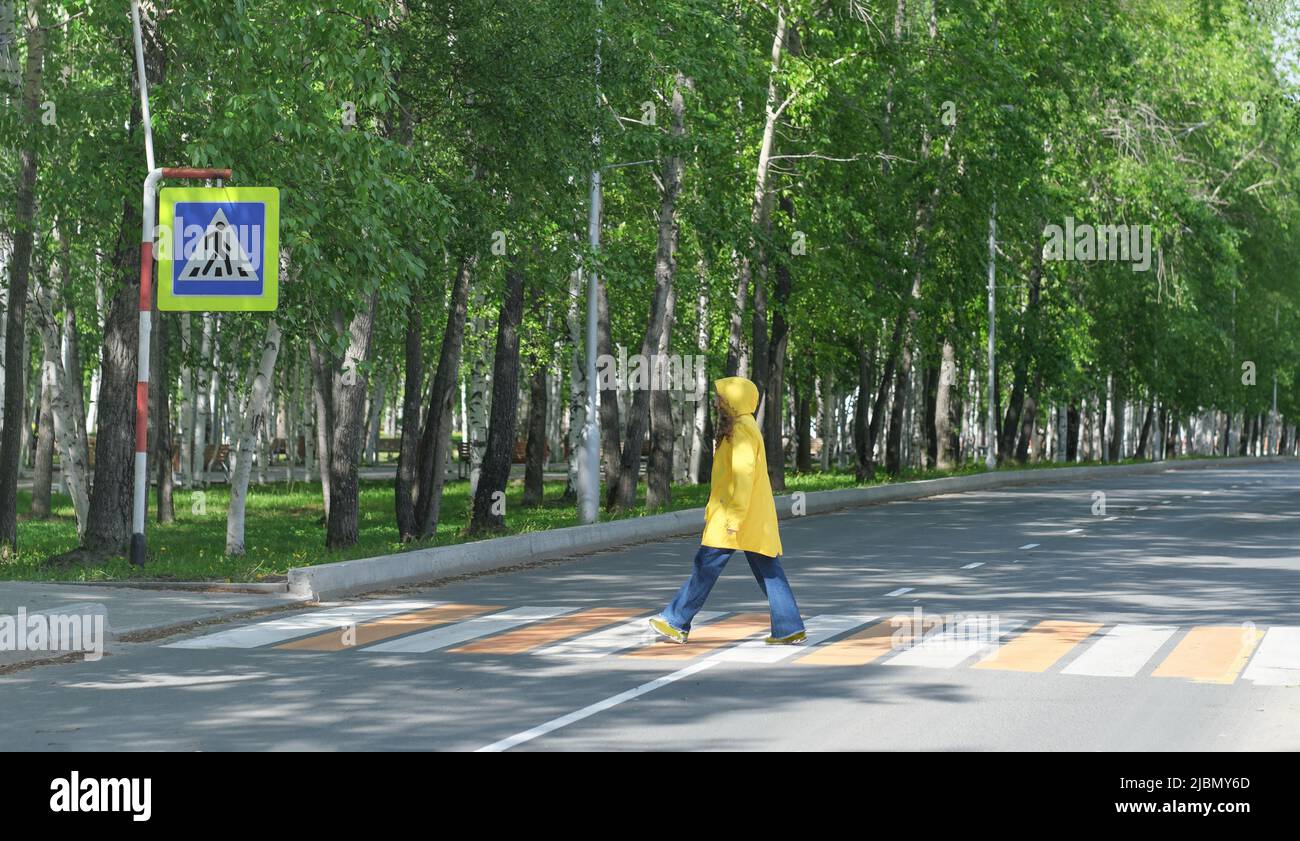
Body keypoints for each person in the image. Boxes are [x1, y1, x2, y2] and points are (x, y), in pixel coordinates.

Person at [649, 376, 807, 646]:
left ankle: (675, 620)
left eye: (721, 398)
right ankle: (788, 627)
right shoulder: (739, 426)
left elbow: (743, 477)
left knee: (705, 566)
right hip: (747, 517)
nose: (717, 402)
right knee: (767, 570)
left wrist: (733, 518)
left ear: (735, 402)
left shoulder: (742, 429)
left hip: (736, 517)